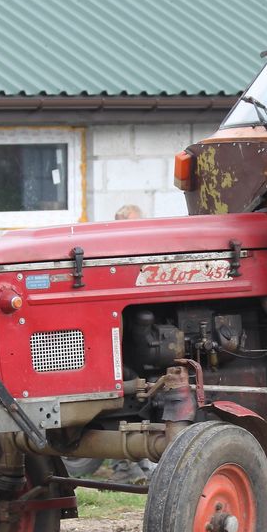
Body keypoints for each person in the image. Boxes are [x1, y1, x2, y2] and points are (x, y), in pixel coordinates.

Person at [110, 203, 155, 483]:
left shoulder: (139, 253)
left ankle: (139, 464)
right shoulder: (114, 254)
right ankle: (123, 469)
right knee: (118, 399)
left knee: (140, 400)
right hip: (118, 345)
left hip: (136, 347)